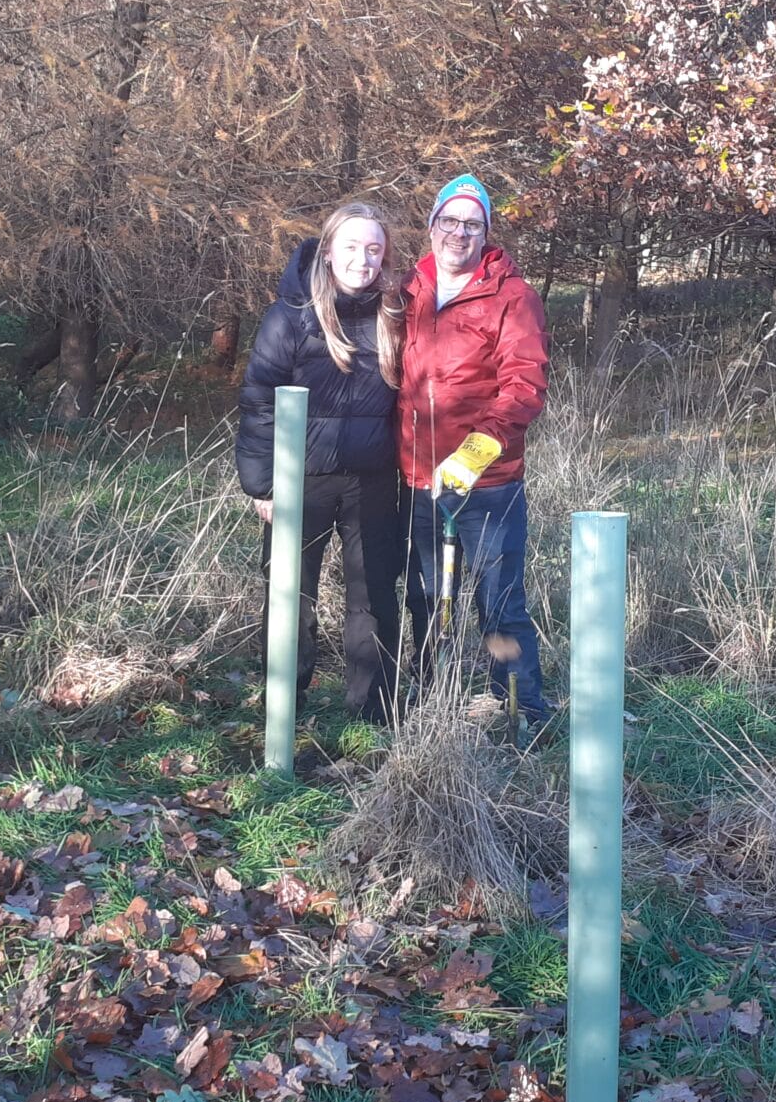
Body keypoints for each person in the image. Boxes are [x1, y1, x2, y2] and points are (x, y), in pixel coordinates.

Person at [235, 202, 407, 722]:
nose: (363, 258)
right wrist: (262, 486)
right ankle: (283, 705)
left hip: (373, 481)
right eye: (352, 246)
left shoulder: (395, 315)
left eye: (374, 248)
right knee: (291, 595)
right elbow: (259, 399)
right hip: (299, 479)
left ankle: (374, 711)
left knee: (372, 594)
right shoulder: (291, 315)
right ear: (329, 252)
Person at [399, 173, 551, 720]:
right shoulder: (410, 290)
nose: (459, 233)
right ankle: (430, 707)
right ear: (432, 224)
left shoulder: (514, 297)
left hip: (488, 486)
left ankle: (522, 712)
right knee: (427, 601)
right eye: (450, 220)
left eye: (472, 224)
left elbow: (524, 386)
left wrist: (473, 455)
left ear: (486, 233)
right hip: (419, 480)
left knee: (499, 606)